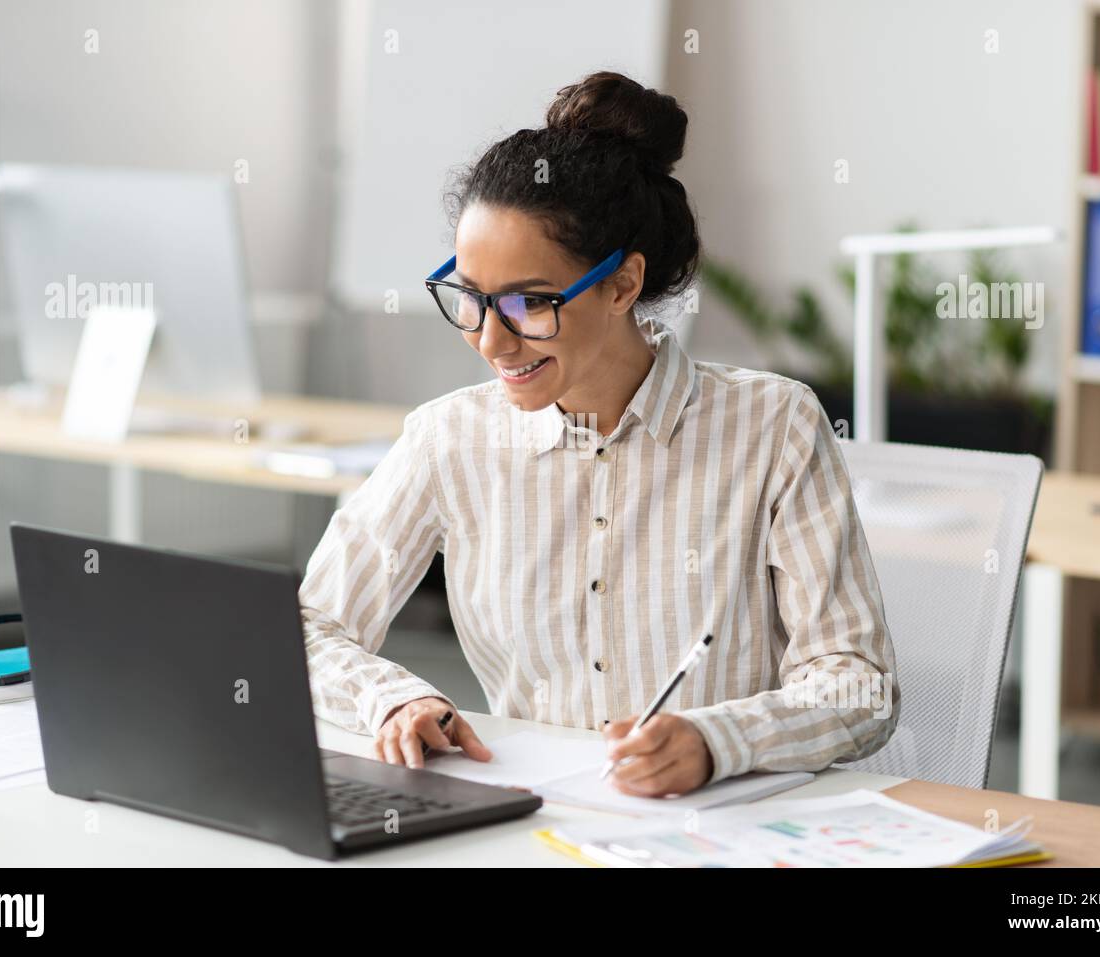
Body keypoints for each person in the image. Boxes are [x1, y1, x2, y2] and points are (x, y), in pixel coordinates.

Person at [300, 71, 899, 798]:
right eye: (470, 297)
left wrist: (719, 740)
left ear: (621, 285)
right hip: (533, 823)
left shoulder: (775, 427)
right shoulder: (448, 440)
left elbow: (859, 685)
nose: (492, 340)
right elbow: (304, 626)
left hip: (712, 829)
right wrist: (391, 697)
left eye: (529, 302)